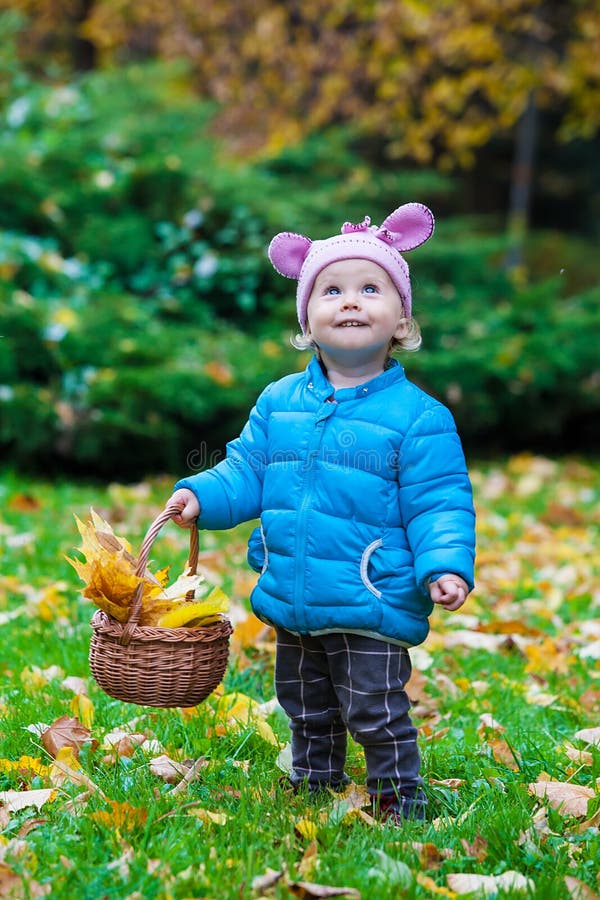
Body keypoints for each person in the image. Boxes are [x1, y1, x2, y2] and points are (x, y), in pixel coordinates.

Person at [166, 203, 476, 823]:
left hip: (372, 594)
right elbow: (246, 469)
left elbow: (439, 501)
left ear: (401, 319)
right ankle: (314, 780)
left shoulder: (419, 417)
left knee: (373, 706)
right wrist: (203, 494)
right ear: (306, 317)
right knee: (304, 702)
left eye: (370, 289)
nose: (351, 301)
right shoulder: (279, 401)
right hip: (294, 588)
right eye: (331, 290)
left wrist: (444, 565)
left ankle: (398, 797)